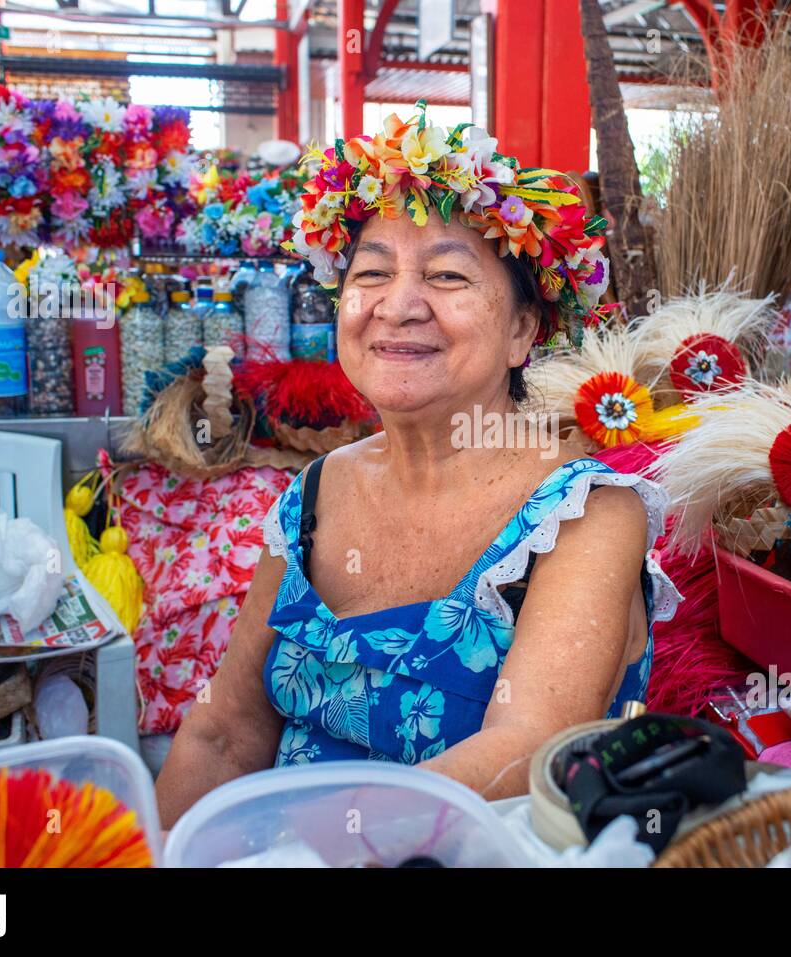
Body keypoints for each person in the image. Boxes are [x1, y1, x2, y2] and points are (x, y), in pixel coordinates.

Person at [156, 105, 678, 827]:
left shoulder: (583, 514)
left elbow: (523, 748)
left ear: (523, 330)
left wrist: (320, 846)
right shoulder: (314, 492)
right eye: (372, 272)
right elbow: (223, 734)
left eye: (447, 276)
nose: (398, 305)